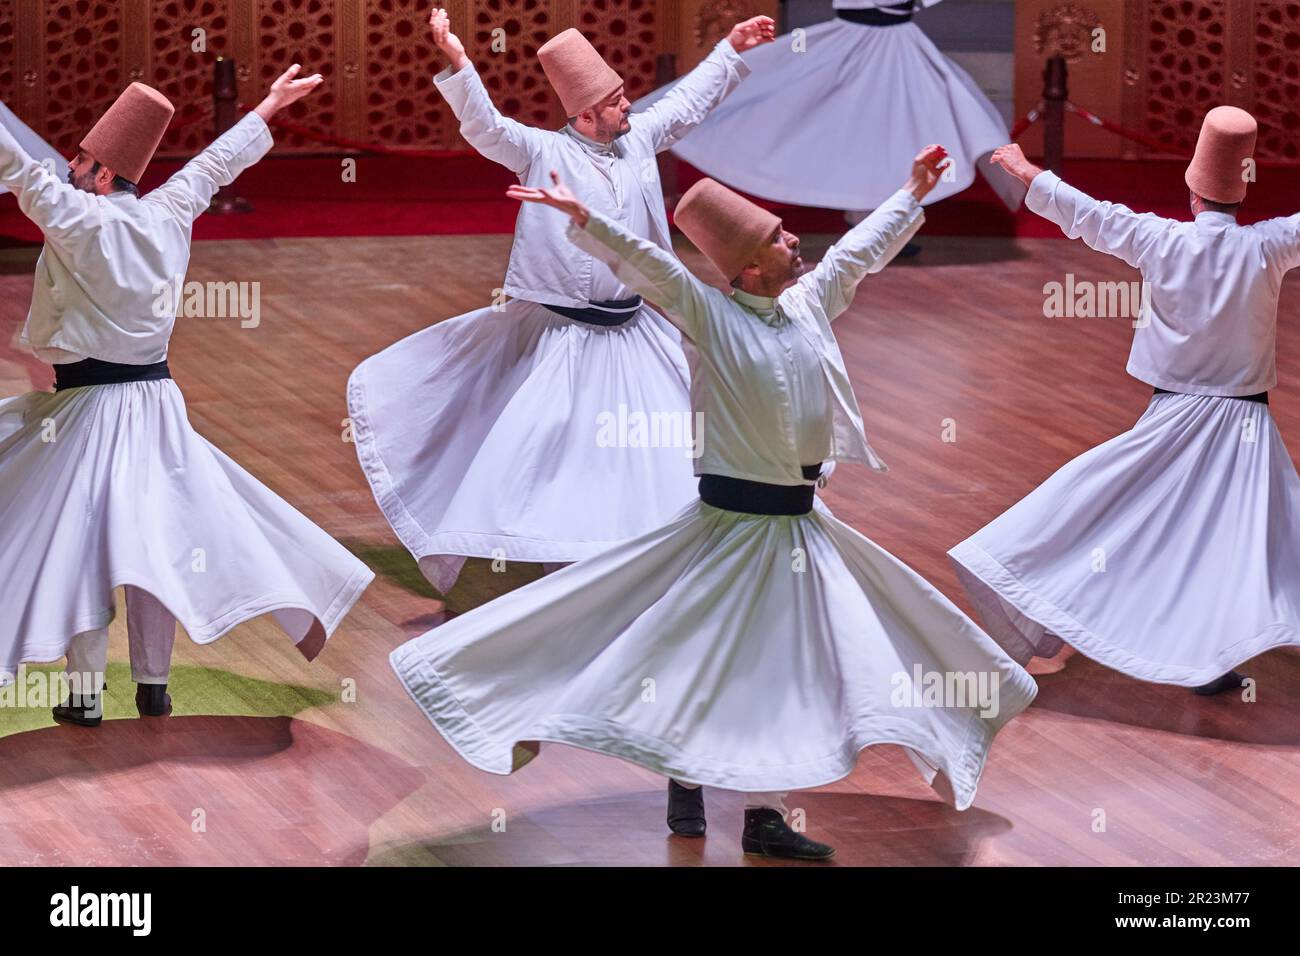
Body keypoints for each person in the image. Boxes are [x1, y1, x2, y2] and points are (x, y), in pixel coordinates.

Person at [388, 146, 1037, 860]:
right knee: (694, 654)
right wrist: (584, 220)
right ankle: (690, 783)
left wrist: (911, 194)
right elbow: (652, 268)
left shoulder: (807, 303)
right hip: (729, 528)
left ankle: (758, 812)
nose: (797, 243)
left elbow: (856, 253)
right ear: (750, 269)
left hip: (799, 529)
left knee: (780, 666)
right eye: (781, 240)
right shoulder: (712, 318)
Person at [347, 8, 774, 594]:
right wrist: (459, 61)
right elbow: (485, 127)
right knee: (554, 452)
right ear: (586, 113)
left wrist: (731, 48)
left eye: (626, 96)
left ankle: (657, 551)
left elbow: (688, 104)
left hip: (634, 329)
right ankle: (560, 564)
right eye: (618, 100)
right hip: (563, 336)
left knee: (659, 443)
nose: (630, 106)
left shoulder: (640, 138)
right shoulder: (542, 150)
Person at [0, 69, 374, 726]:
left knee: (84, 548)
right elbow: (214, 164)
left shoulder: (80, 220)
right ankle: (153, 685)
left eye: (81, 162)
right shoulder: (168, 212)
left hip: (88, 413)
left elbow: (20, 168)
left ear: (104, 175)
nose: (69, 171)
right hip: (157, 406)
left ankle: (85, 695)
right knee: (158, 540)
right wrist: (269, 108)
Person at [949, 108, 1299, 695]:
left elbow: (1093, 218)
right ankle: (1206, 650)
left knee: (1108, 513)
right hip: (1245, 423)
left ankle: (1055, 606)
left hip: (1175, 415)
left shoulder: (1161, 240)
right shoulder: (1267, 247)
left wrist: (1030, 173)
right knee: (1244, 534)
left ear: (1191, 189)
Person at [633, 0, 1024, 223]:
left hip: (897, 43)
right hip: (853, 39)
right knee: (844, 118)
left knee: (900, 127)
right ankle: (867, 213)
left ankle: (877, 217)